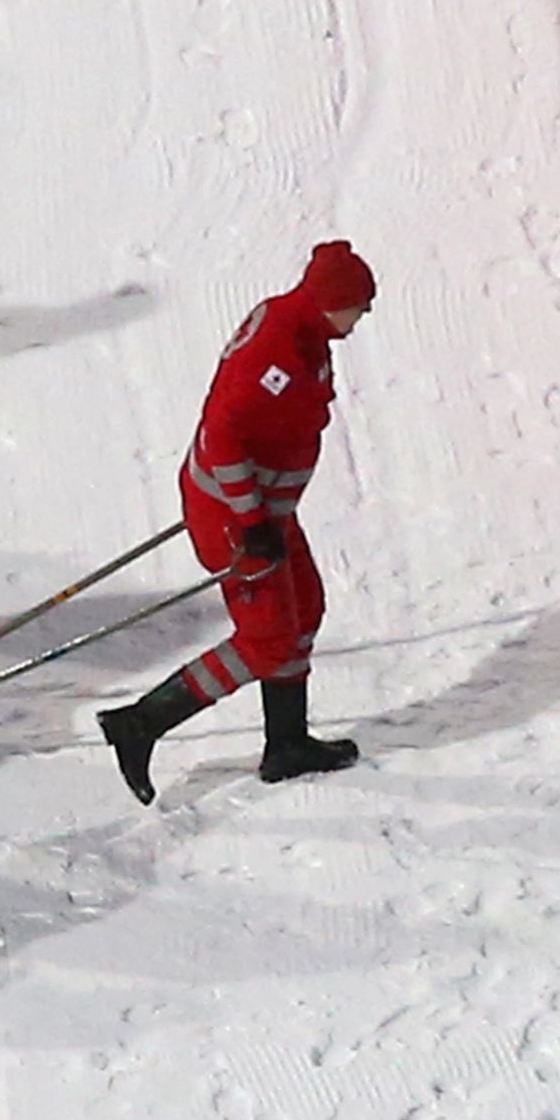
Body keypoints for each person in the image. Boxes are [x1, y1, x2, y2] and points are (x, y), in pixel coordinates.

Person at [98, 241, 378, 804]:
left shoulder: (302, 327)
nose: (363, 316)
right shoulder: (278, 352)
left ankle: (287, 745)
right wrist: (250, 520)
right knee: (268, 639)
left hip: (266, 509)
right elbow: (223, 433)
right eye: (358, 305)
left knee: (304, 608)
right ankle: (141, 724)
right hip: (235, 517)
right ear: (330, 302)